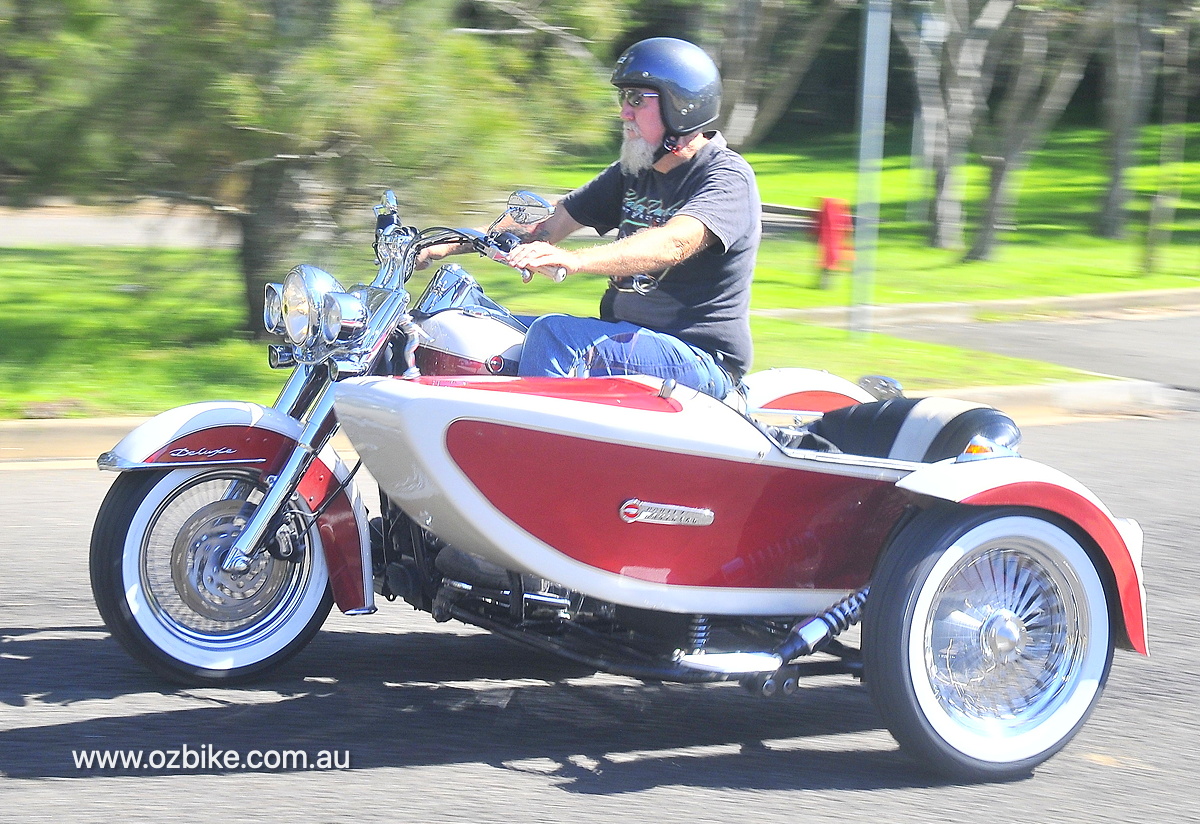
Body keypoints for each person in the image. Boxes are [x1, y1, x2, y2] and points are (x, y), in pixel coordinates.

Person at [422, 37, 761, 399]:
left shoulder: (726, 176)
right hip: (631, 340)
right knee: (470, 329)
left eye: (636, 100)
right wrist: (444, 243)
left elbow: (674, 242)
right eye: (623, 99)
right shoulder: (635, 170)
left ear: (682, 108)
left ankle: (541, 453)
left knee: (555, 337)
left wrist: (576, 259)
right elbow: (551, 222)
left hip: (699, 358)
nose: (623, 113)